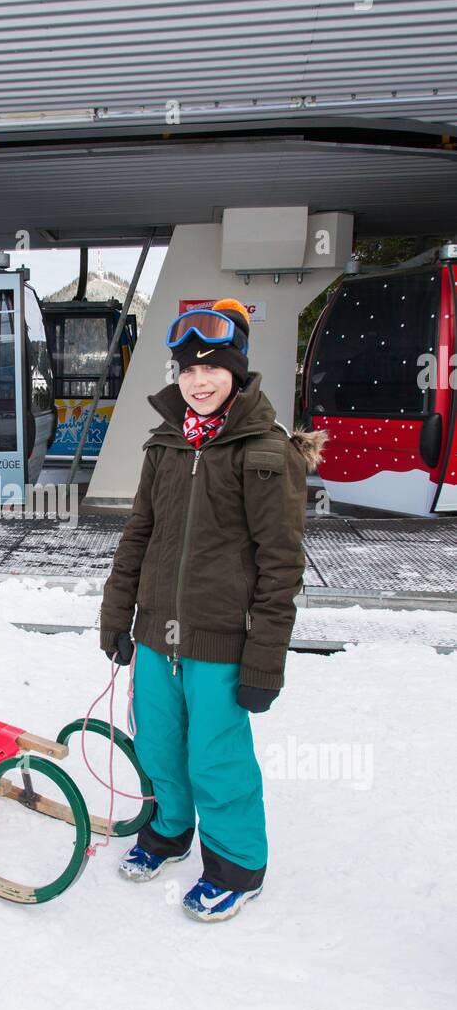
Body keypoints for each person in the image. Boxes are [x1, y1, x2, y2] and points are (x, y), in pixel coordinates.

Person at [99, 298, 327, 923]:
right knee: (161, 747)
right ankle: (169, 833)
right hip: (154, 635)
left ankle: (234, 866)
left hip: (222, 640)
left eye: (213, 367)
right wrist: (117, 616)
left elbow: (280, 567)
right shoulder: (165, 445)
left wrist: (264, 664)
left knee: (216, 758)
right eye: (186, 369)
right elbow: (138, 536)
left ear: (238, 371)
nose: (198, 381)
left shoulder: (265, 453)